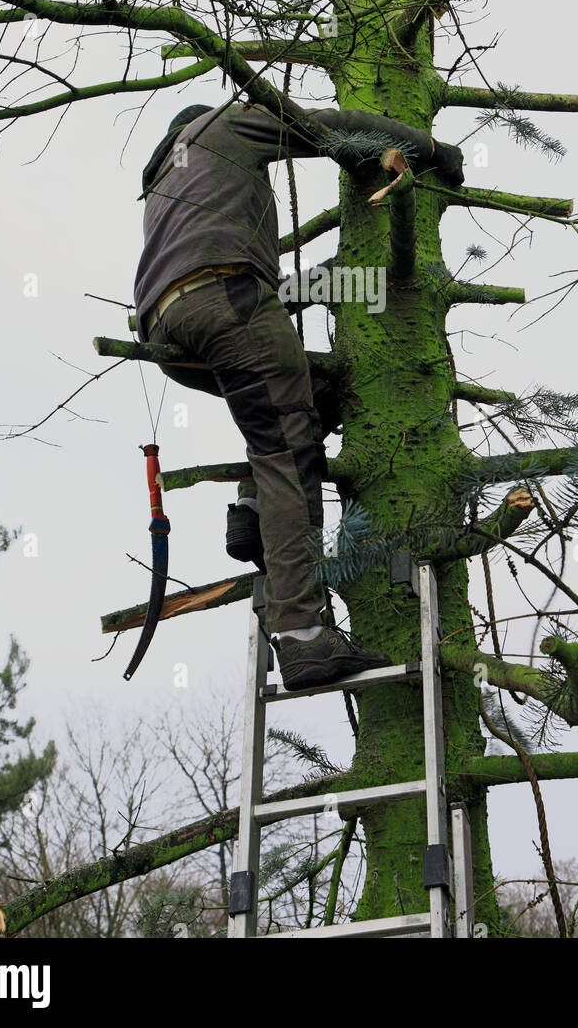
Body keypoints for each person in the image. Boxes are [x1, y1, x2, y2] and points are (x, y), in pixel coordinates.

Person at [134, 96, 464, 690]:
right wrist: (432, 150)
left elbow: (229, 281)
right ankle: (305, 637)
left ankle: (256, 510)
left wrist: (322, 283)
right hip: (229, 299)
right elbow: (323, 128)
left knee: (310, 393)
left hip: (166, 327)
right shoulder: (225, 124)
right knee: (287, 450)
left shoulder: (164, 178)